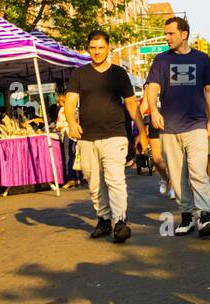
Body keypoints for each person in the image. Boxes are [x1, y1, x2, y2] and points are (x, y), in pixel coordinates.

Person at [63, 30, 147, 243]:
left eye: (101, 47)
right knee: (93, 182)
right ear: (88, 49)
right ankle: (103, 218)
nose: (97, 52)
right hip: (87, 136)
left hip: (115, 135)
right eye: (93, 48)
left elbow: (131, 104)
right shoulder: (79, 74)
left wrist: (142, 133)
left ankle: (119, 222)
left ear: (108, 48)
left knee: (115, 179)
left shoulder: (119, 73)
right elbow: (70, 101)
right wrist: (71, 123)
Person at [144, 17, 210, 237]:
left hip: (196, 125)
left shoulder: (202, 59)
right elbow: (153, 87)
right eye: (165, 34)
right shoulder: (161, 60)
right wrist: (154, 110)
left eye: (170, 34)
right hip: (170, 126)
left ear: (183, 34)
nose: (167, 38)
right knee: (176, 176)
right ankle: (186, 216)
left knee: (198, 171)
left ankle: (204, 216)